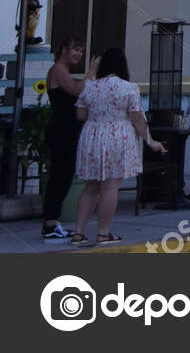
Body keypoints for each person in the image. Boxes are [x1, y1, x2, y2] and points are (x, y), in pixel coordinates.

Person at [72, 47, 165, 244]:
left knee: (90, 187)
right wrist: (150, 141)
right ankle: (103, 232)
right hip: (118, 137)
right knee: (110, 186)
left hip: (91, 135)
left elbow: (80, 115)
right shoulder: (128, 88)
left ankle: (78, 232)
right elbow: (137, 118)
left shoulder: (89, 87)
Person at [39, 38, 85, 242]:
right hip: (61, 131)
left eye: (81, 51)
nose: (79, 54)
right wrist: (90, 74)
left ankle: (52, 222)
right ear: (64, 50)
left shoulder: (64, 72)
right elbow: (75, 91)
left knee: (64, 176)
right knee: (59, 176)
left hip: (67, 130)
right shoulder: (58, 69)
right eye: (75, 49)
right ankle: (50, 223)